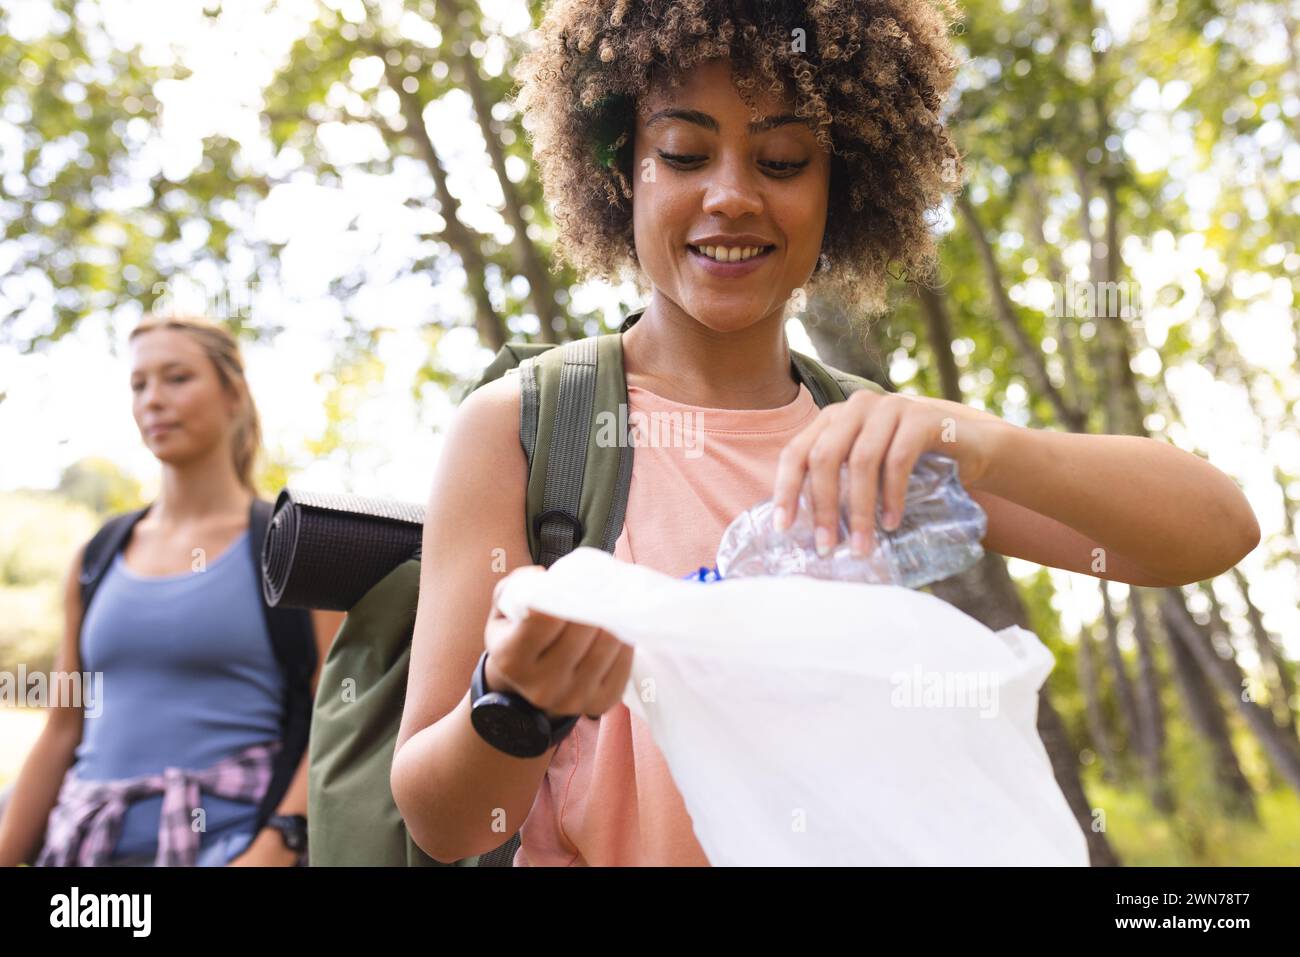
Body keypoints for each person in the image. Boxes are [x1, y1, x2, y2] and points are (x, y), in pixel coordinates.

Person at [390, 0, 1261, 866]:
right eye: (684, 153)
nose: (730, 196)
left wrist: (987, 443)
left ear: (840, 188)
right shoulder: (522, 426)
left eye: (781, 159)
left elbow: (1218, 528)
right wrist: (514, 702)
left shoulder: (878, 442)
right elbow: (447, 822)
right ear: (622, 170)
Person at [0, 315, 343, 867]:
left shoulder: (295, 548)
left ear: (234, 395)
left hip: (231, 847)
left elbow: (337, 721)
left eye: (177, 378)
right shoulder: (96, 557)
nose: (153, 400)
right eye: (139, 384)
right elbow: (63, 726)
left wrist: (277, 845)